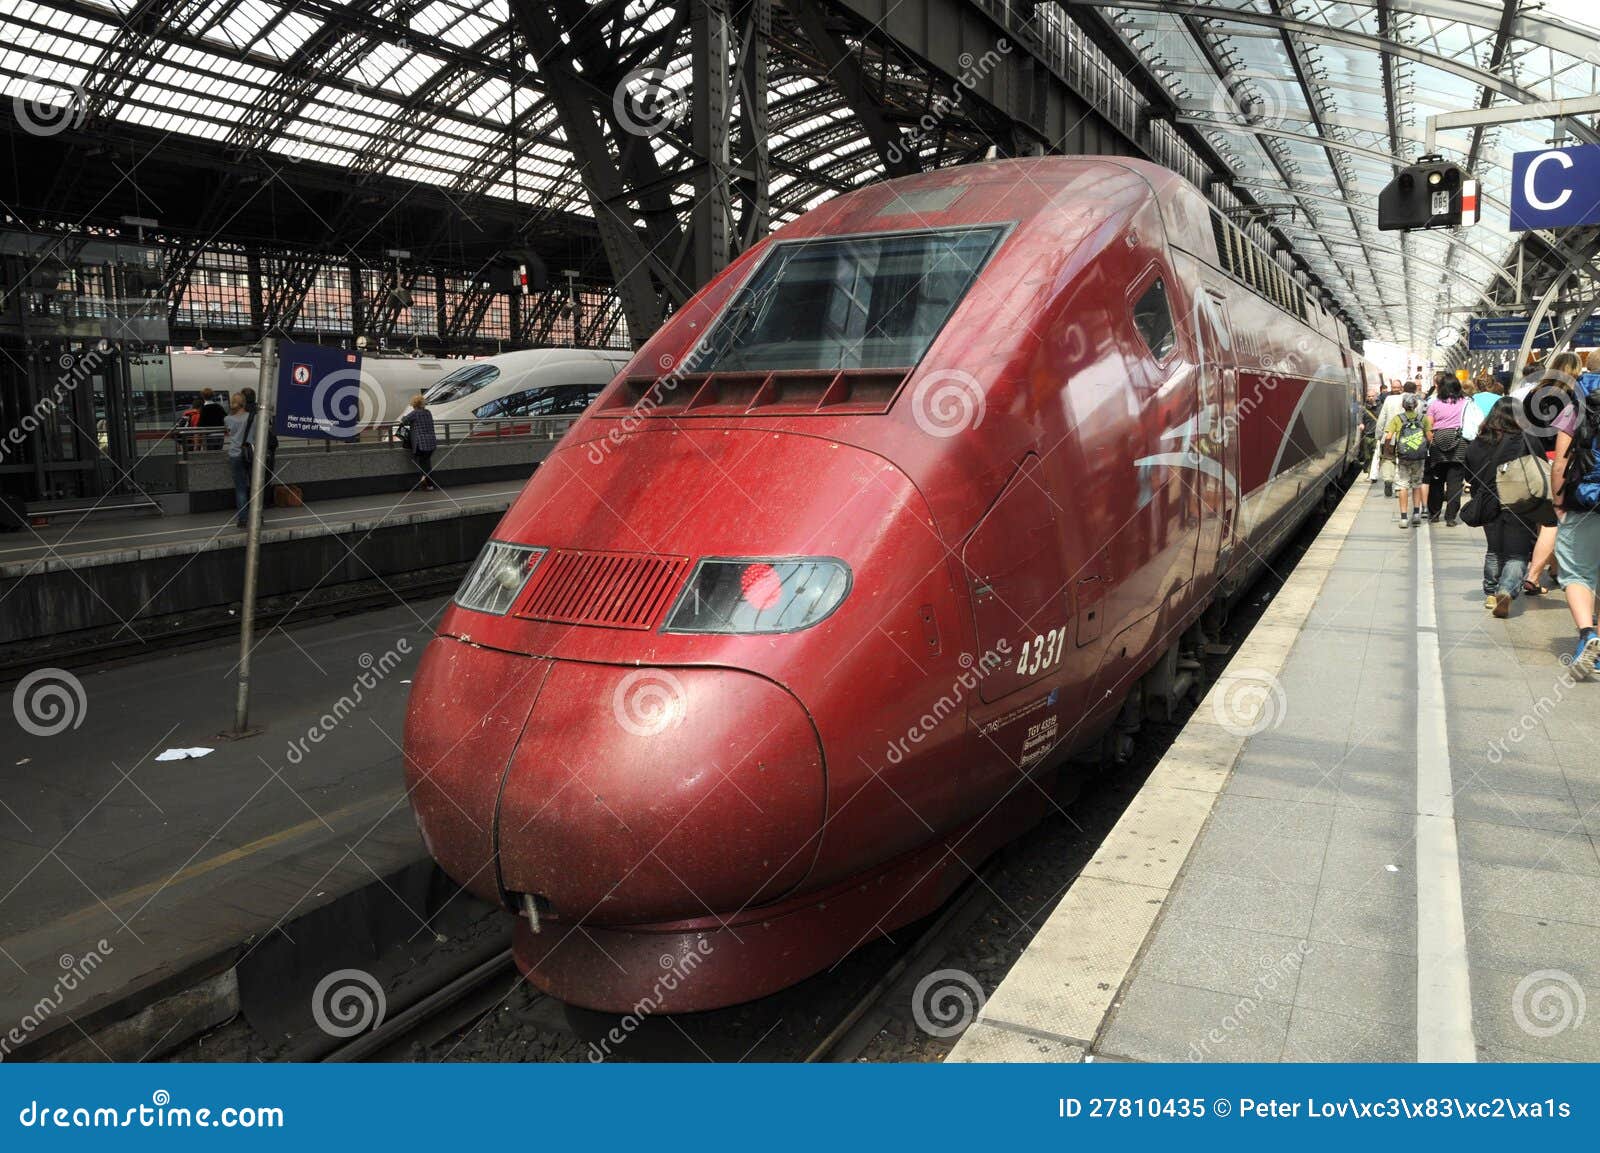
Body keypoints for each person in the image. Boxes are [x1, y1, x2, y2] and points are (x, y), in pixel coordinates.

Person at [1464, 397, 1547, 618]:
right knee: (1517, 553)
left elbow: (1469, 470)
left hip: (1488, 501)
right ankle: (1506, 590)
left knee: (1494, 549)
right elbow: (1540, 466)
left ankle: (1491, 593)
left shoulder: (1481, 440)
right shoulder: (1528, 439)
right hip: (1520, 502)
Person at [1550, 350, 1600, 675]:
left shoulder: (1577, 404)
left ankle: (1587, 634)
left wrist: (1558, 502)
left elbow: (1561, 461)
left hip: (1585, 500)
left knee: (1577, 571)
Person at [1425, 372, 1470, 524]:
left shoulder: (1434, 404)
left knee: (1436, 481)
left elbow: (1428, 427)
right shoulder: (1465, 402)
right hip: (1460, 444)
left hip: (1438, 444)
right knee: (1455, 482)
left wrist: (1433, 442)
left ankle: (1434, 514)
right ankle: (1450, 517)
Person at [1385, 394, 1431, 528]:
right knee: (1417, 483)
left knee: (1402, 485)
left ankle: (1404, 518)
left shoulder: (1397, 419)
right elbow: (1429, 437)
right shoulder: (1423, 419)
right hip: (1419, 456)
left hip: (1403, 456)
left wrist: (1388, 450)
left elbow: (1388, 436)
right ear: (1416, 405)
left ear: (1403, 406)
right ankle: (1416, 514)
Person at [1370, 379, 1409, 500]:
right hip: (1405, 437)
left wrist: (1378, 435)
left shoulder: (1388, 400)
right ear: (1401, 388)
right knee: (1402, 462)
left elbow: (1382, 419)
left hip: (1389, 437)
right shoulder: (1407, 399)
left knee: (1387, 459)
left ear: (1393, 388)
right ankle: (1398, 488)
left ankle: (1387, 479)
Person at [223, 392, 252, 529]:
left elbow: (230, 434)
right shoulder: (253, 417)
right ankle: (257, 516)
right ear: (244, 402)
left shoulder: (227, 419)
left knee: (240, 489)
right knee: (254, 486)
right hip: (250, 454)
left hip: (235, 454)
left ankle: (242, 519)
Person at [399, 394, 438, 491]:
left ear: (414, 404)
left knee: (424, 465)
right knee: (426, 463)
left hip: (421, 444)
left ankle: (429, 484)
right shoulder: (428, 412)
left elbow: (404, 421)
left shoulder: (414, 413)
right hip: (431, 442)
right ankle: (426, 483)